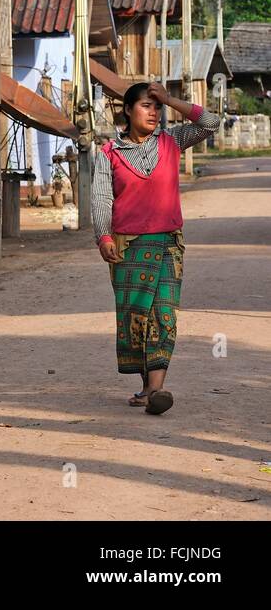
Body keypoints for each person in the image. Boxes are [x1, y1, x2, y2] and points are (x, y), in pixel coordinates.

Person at [92, 81, 218, 416]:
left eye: (156, 106)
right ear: (128, 110)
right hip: (127, 245)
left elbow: (210, 122)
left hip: (167, 245)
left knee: (163, 313)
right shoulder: (110, 153)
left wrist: (170, 99)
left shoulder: (171, 141)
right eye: (146, 105)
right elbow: (103, 199)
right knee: (136, 317)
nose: (153, 111)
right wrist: (103, 237)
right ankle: (149, 387)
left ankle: (155, 390)